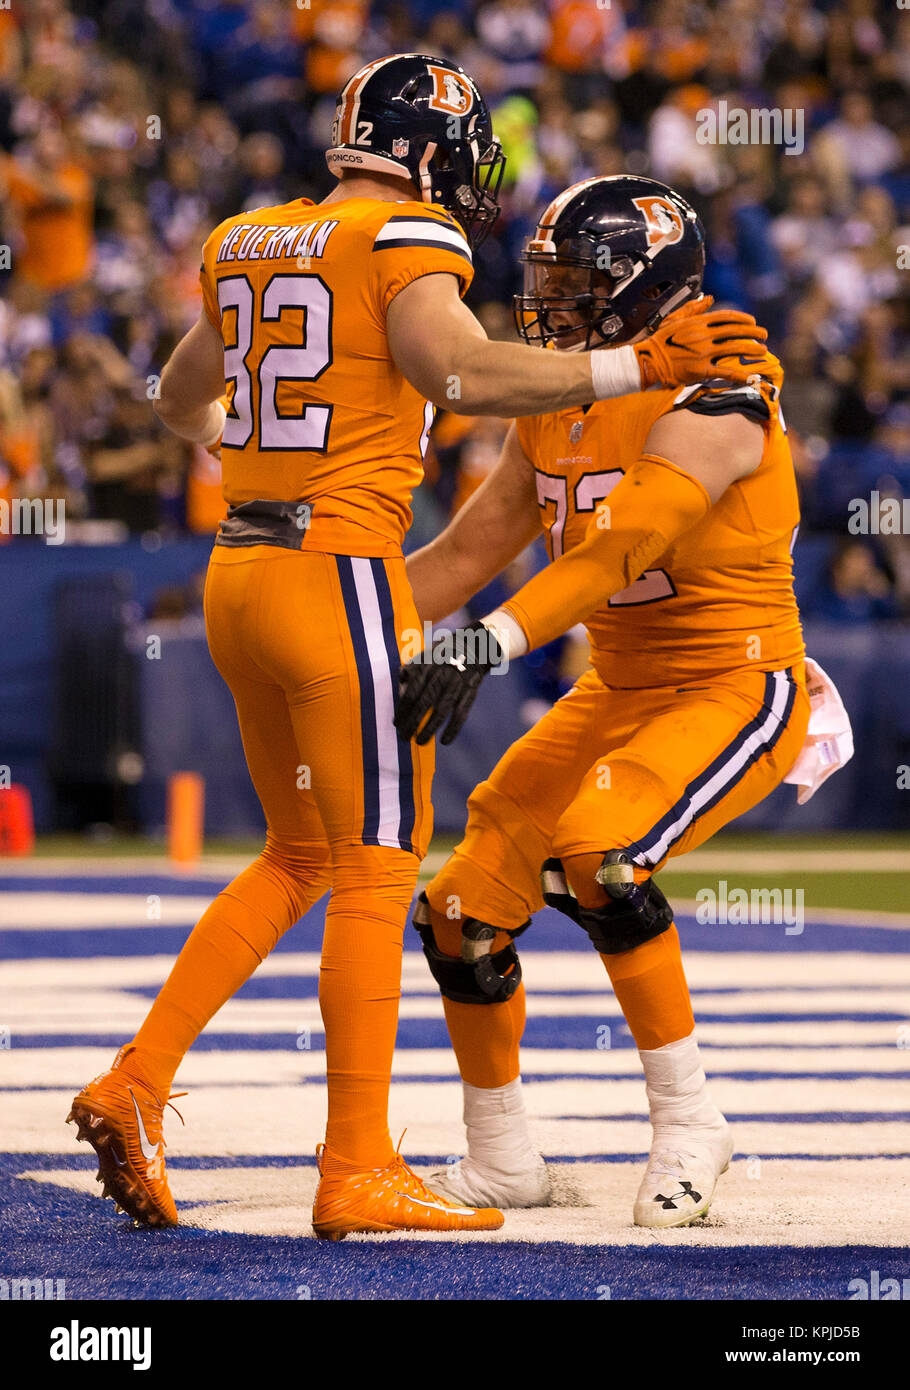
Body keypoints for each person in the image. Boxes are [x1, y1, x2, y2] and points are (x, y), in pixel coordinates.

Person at [67, 61, 767, 1240]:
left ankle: (137, 1079)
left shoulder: (247, 237)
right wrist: (637, 364)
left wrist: (257, 457)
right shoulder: (407, 230)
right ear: (429, 145)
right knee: (377, 866)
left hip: (241, 568)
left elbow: (181, 396)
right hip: (336, 567)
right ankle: (355, 1165)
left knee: (300, 855)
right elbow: (462, 370)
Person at [396, 174, 820, 1228]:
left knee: (598, 853)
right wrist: (338, 623)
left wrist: (489, 641)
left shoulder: (720, 389)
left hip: (734, 682)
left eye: (581, 282)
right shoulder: (556, 400)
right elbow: (464, 553)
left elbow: (624, 543)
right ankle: (501, 1160)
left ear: (650, 285)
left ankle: (690, 1122)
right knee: (457, 912)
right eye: (551, 279)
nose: (556, 301)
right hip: (619, 687)